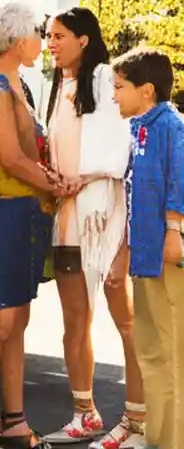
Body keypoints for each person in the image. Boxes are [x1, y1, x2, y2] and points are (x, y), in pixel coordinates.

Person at [0, 0, 72, 449]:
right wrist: (53, 183)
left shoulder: (17, 85)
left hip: (22, 214)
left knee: (18, 320)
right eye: (37, 34)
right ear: (15, 37)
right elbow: (8, 156)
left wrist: (46, 182)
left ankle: (14, 419)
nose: (42, 42)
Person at [40, 8, 145, 449]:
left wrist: (91, 177)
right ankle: (84, 414)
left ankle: (138, 417)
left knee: (127, 319)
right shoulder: (55, 85)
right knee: (74, 319)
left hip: (107, 212)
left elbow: (126, 147)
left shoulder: (107, 80)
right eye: (48, 36)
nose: (51, 43)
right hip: (67, 215)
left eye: (59, 36)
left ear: (84, 40)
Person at [111, 47, 184, 449]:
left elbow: (179, 179)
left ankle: (174, 439)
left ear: (148, 90)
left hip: (166, 252)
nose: (115, 95)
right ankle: (158, 436)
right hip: (145, 254)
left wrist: (174, 230)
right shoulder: (140, 126)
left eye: (121, 87)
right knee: (152, 349)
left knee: (172, 348)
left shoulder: (171, 125)